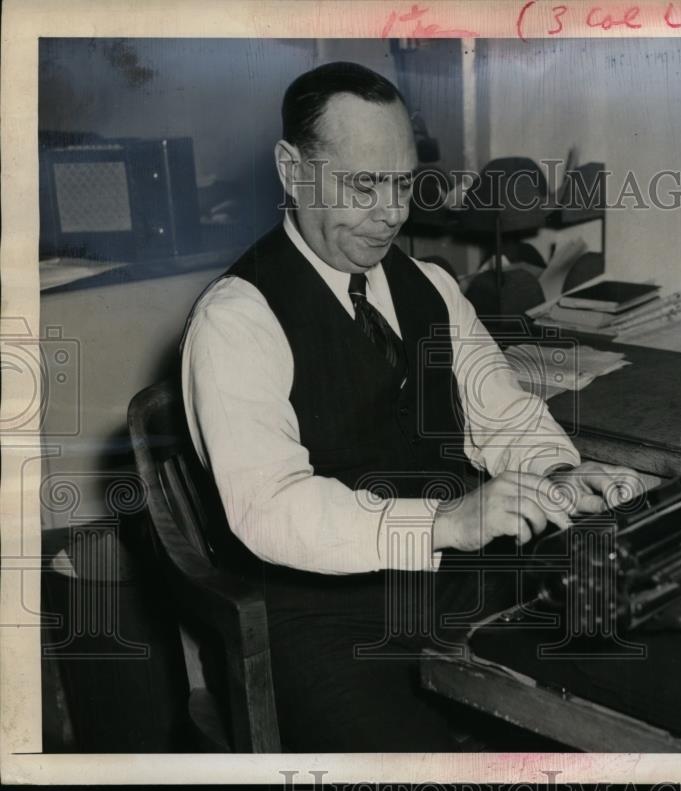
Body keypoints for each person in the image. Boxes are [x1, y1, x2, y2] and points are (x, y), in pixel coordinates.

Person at [180, 61, 640, 751]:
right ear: (292, 170)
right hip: (327, 618)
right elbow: (270, 507)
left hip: (458, 583)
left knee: (616, 702)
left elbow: (501, 412)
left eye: (402, 183)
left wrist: (555, 471)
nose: (392, 212)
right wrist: (443, 521)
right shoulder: (236, 317)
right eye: (364, 185)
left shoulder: (429, 287)